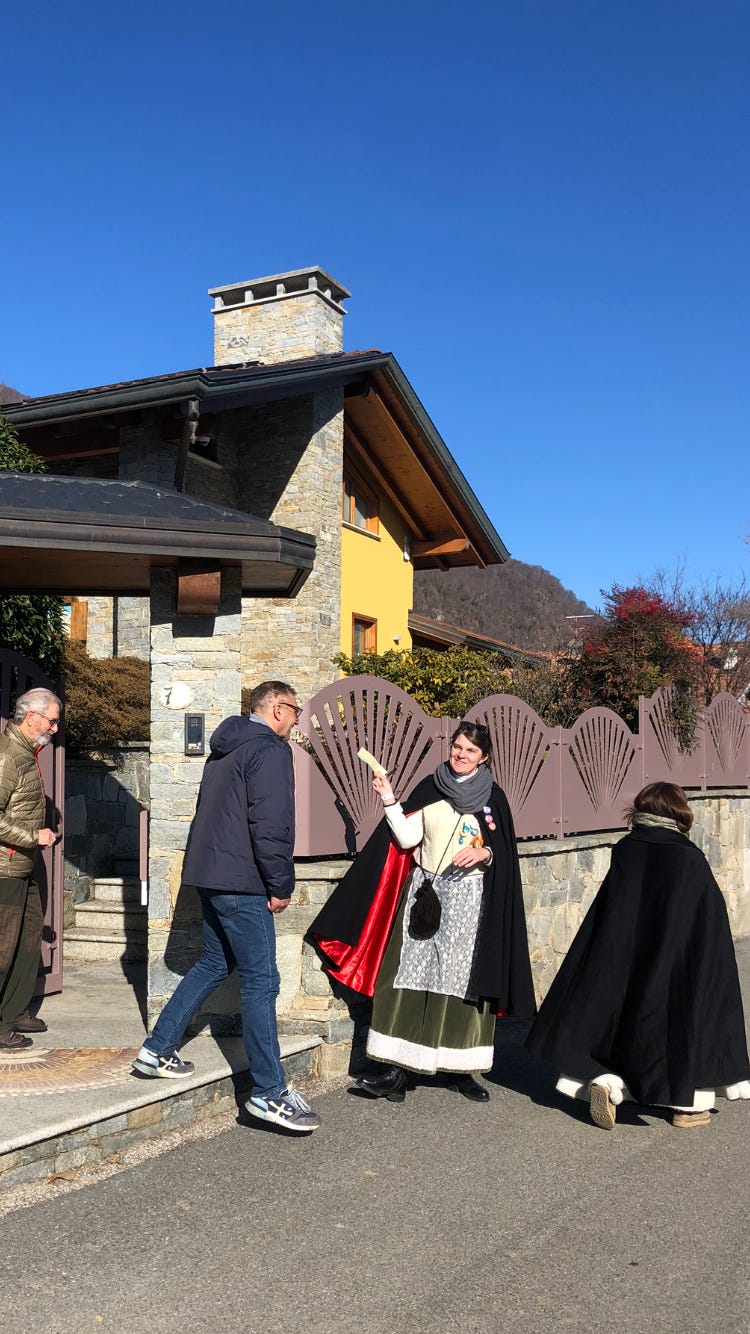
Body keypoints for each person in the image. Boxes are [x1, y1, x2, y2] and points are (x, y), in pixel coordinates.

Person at [310, 722, 535, 1103]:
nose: (461, 755)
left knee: (461, 982)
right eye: (457, 747)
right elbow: (408, 838)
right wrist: (388, 799)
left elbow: (502, 852)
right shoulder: (430, 788)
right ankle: (395, 1070)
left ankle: (462, 1070)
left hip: (470, 899)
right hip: (425, 894)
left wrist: (486, 852)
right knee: (407, 976)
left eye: (470, 751)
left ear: (485, 758)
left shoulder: (492, 798)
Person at [132, 681, 320, 1134]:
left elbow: (209, 814)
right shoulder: (270, 751)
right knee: (261, 982)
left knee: (214, 964)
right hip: (244, 881)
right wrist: (280, 883)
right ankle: (268, 1093)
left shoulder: (225, 749)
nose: (297, 721)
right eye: (295, 711)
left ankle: (156, 1049)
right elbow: (270, 824)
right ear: (276, 708)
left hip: (211, 876)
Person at [526, 782, 750, 1130]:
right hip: (673, 963)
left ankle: (606, 1082)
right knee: (673, 1026)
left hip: (620, 959)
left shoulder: (626, 850)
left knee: (616, 1023)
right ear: (678, 811)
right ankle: (685, 1107)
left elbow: (610, 911)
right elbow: (708, 926)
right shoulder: (688, 857)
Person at [0, 687, 61, 1051]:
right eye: (52, 720)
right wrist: (31, 836)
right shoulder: (8, 755)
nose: (55, 728)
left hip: (23, 863)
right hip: (6, 866)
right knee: (4, 947)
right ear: (31, 716)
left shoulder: (26, 752)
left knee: (28, 938)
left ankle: (13, 1011)